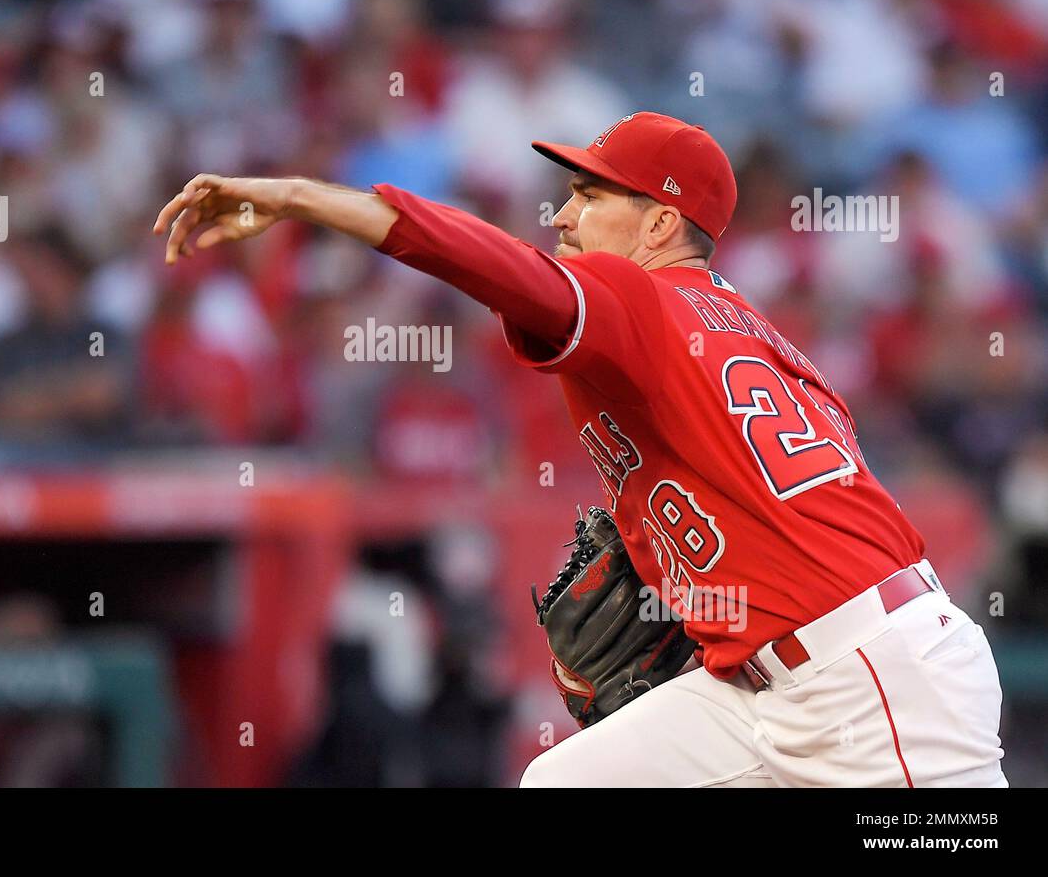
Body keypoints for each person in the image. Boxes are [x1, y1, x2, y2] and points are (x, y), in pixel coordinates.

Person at [152, 111, 1006, 787]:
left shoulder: (636, 298)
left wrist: (304, 197)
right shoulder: (752, 330)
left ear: (661, 223)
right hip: (785, 677)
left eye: (592, 195)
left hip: (876, 683)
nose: (563, 213)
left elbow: (495, 266)